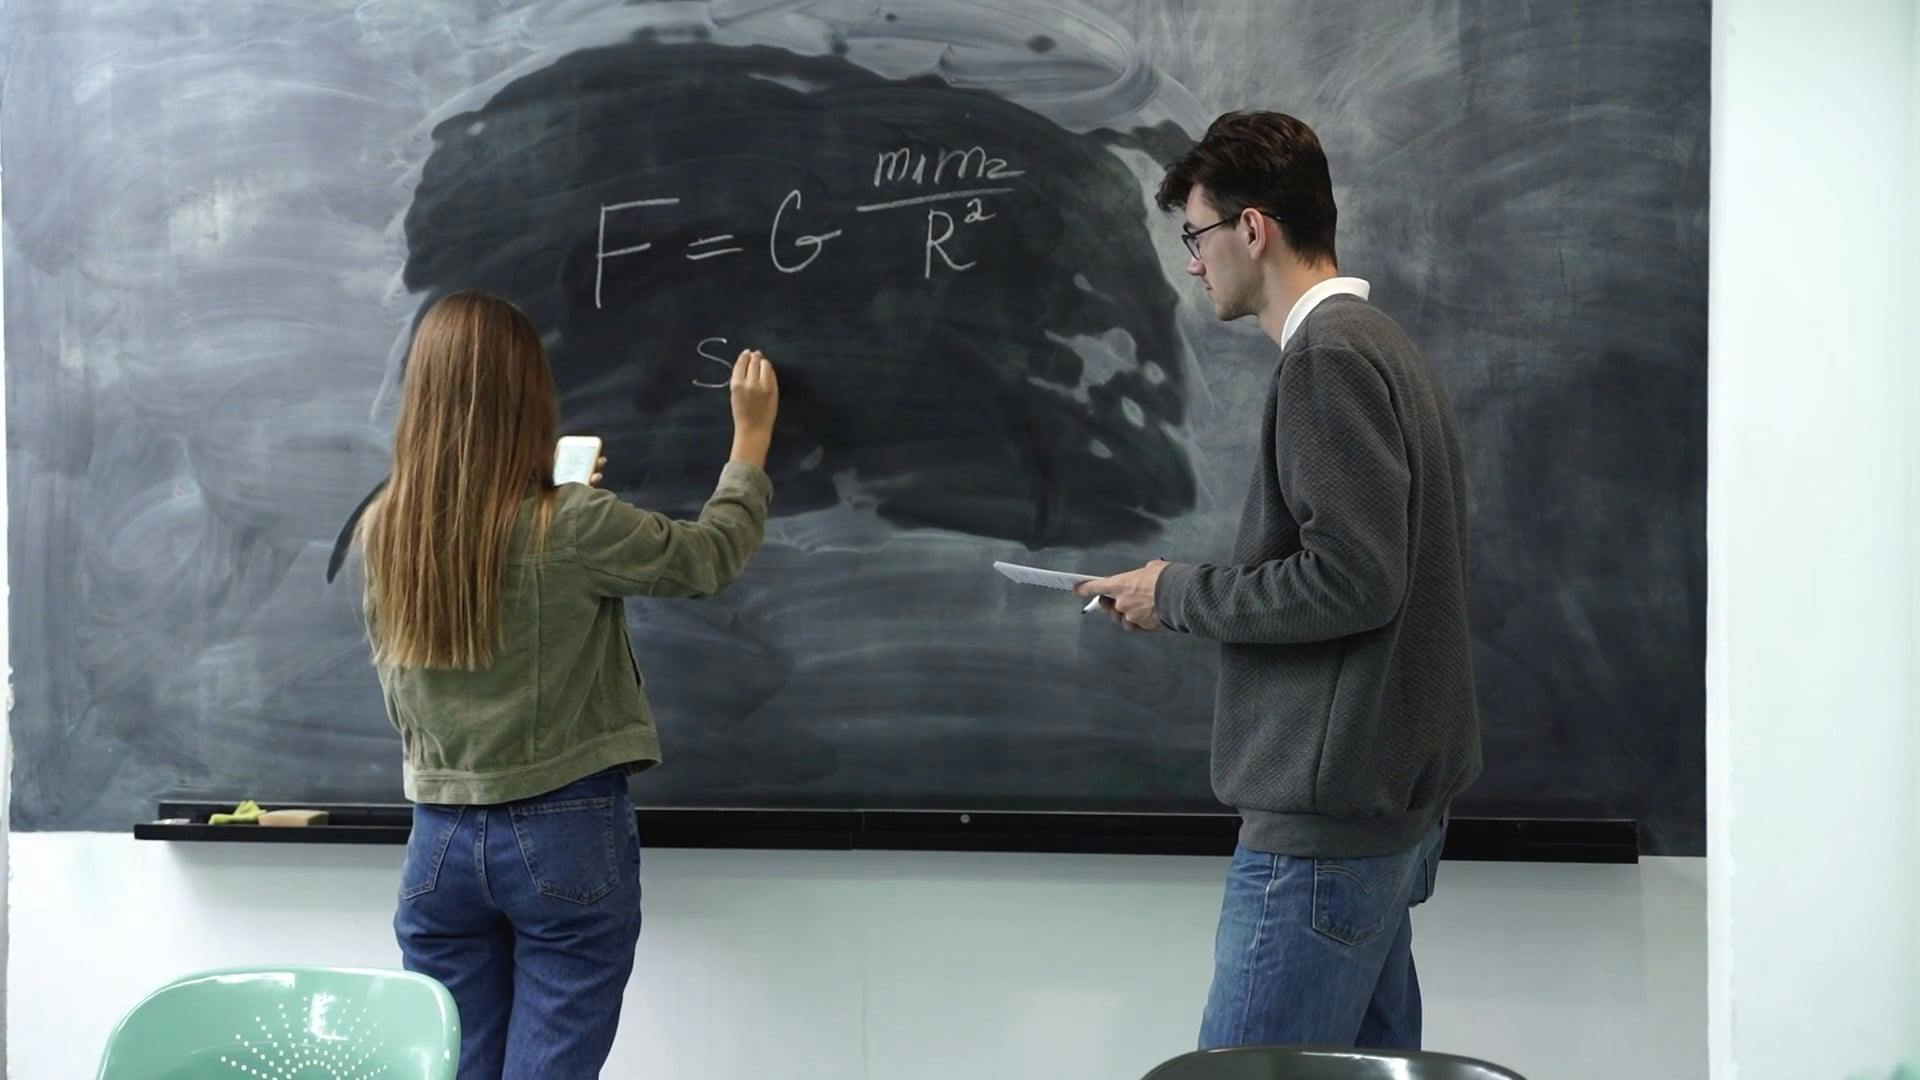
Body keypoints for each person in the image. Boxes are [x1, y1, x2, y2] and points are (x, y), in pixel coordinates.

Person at [1077, 112, 1481, 1051]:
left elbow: (1352, 579)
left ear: (1252, 230)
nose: (1192, 262)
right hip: (1380, 817)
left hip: (1323, 838)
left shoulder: (1328, 359)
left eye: (1196, 234)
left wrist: (1172, 592)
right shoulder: (1381, 343)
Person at [357, 290, 778, 1078]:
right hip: (564, 830)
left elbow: (398, 689)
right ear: (529, 399)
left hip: (437, 839)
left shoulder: (387, 528)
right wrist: (749, 440)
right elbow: (708, 556)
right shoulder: (574, 522)